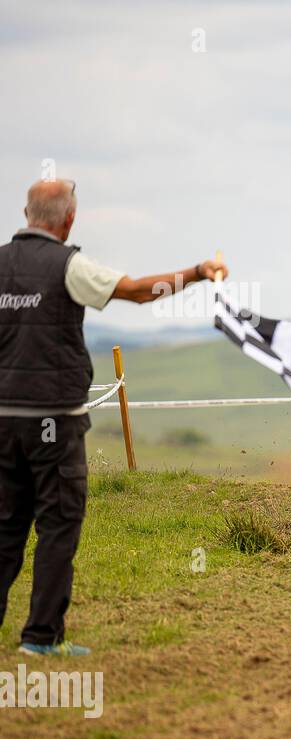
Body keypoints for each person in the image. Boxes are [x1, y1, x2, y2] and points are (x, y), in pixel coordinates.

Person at [0, 178, 225, 656]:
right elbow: (140, 293)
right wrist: (199, 272)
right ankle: (40, 639)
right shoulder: (70, 265)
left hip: (1, 422)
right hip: (54, 421)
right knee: (58, 524)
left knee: (5, 528)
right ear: (69, 219)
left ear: (25, 212)